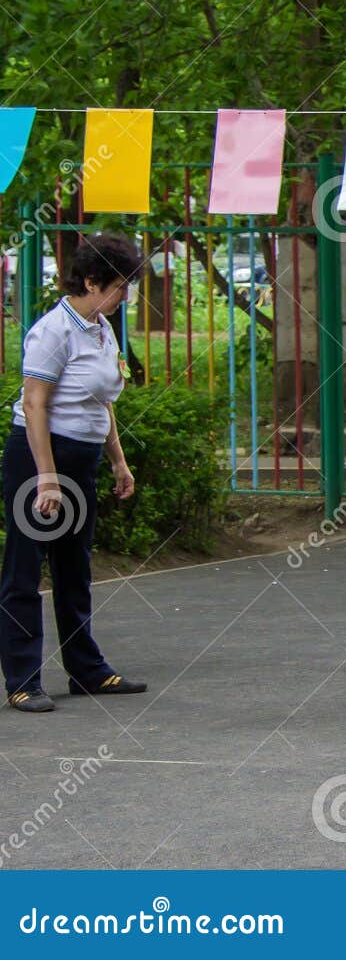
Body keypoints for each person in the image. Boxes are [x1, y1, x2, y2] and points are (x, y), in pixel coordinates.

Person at [1, 234, 145, 713]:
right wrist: (46, 477)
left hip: (81, 456)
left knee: (74, 567)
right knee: (26, 568)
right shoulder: (53, 331)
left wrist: (118, 460)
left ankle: (87, 670)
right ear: (90, 281)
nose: (125, 295)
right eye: (120, 286)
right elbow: (35, 404)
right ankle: (22, 679)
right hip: (39, 455)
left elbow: (101, 402)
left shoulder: (100, 328)